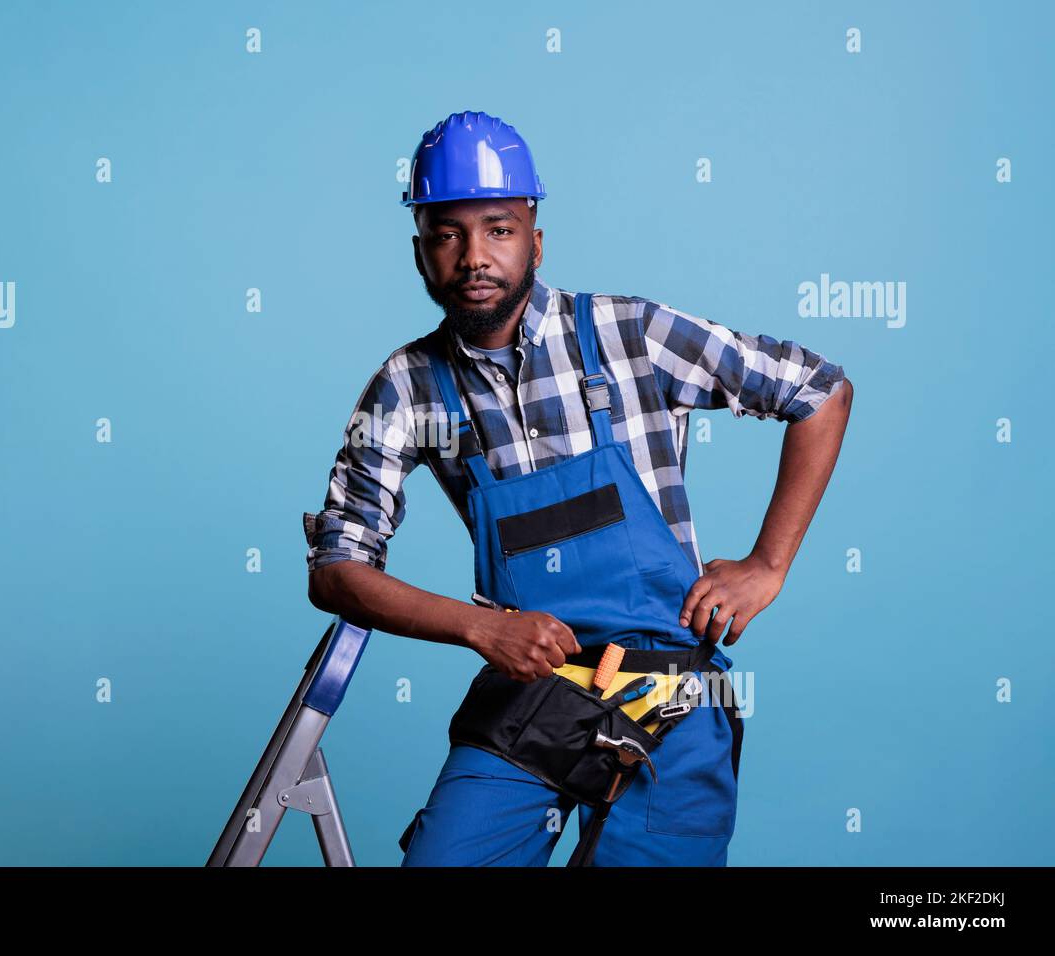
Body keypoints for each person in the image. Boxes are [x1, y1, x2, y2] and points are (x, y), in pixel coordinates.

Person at [304, 110, 853, 866]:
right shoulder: (407, 387)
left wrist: (769, 565)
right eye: (447, 234)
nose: (473, 256)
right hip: (528, 691)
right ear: (420, 252)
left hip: (673, 695)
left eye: (498, 228)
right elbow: (337, 573)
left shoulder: (633, 335)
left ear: (536, 237)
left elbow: (819, 391)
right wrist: (480, 629)